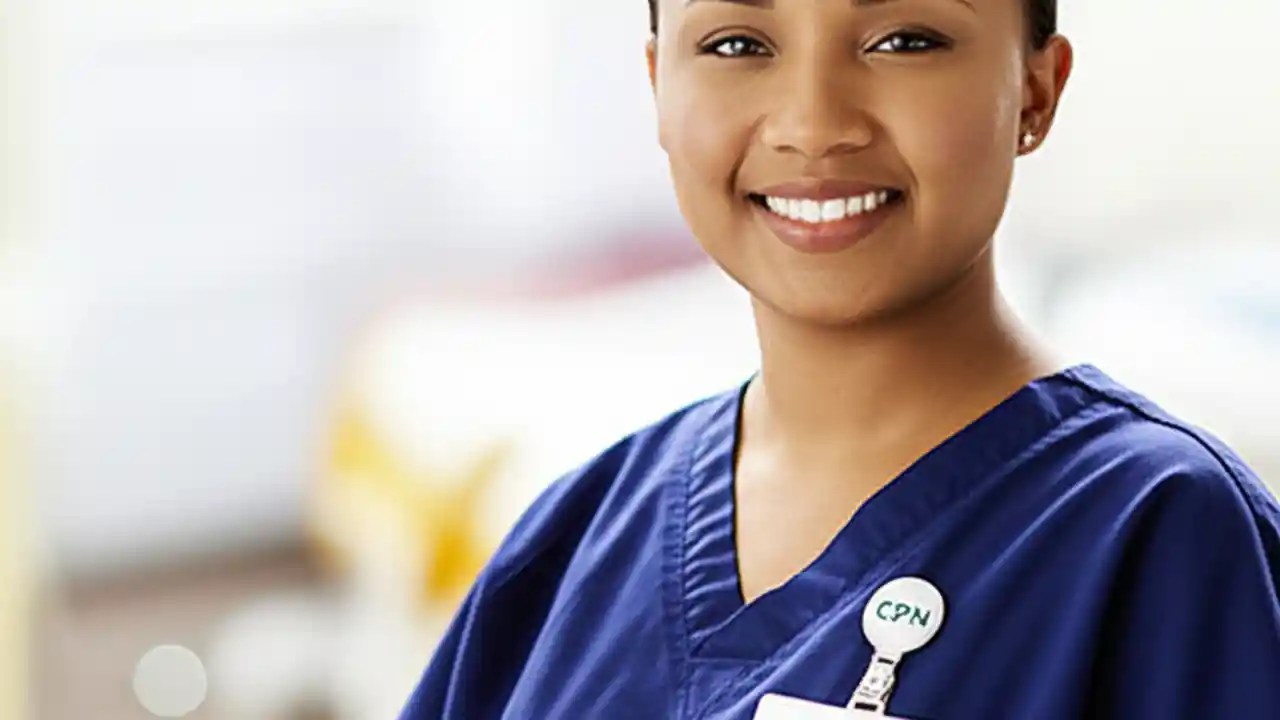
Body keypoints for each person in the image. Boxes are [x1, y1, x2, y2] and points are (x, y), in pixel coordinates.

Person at [398, 0, 1280, 717]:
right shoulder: (574, 540)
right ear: (659, 84)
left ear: (1036, 93)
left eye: (905, 40)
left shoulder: (1160, 534)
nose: (814, 124)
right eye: (739, 43)